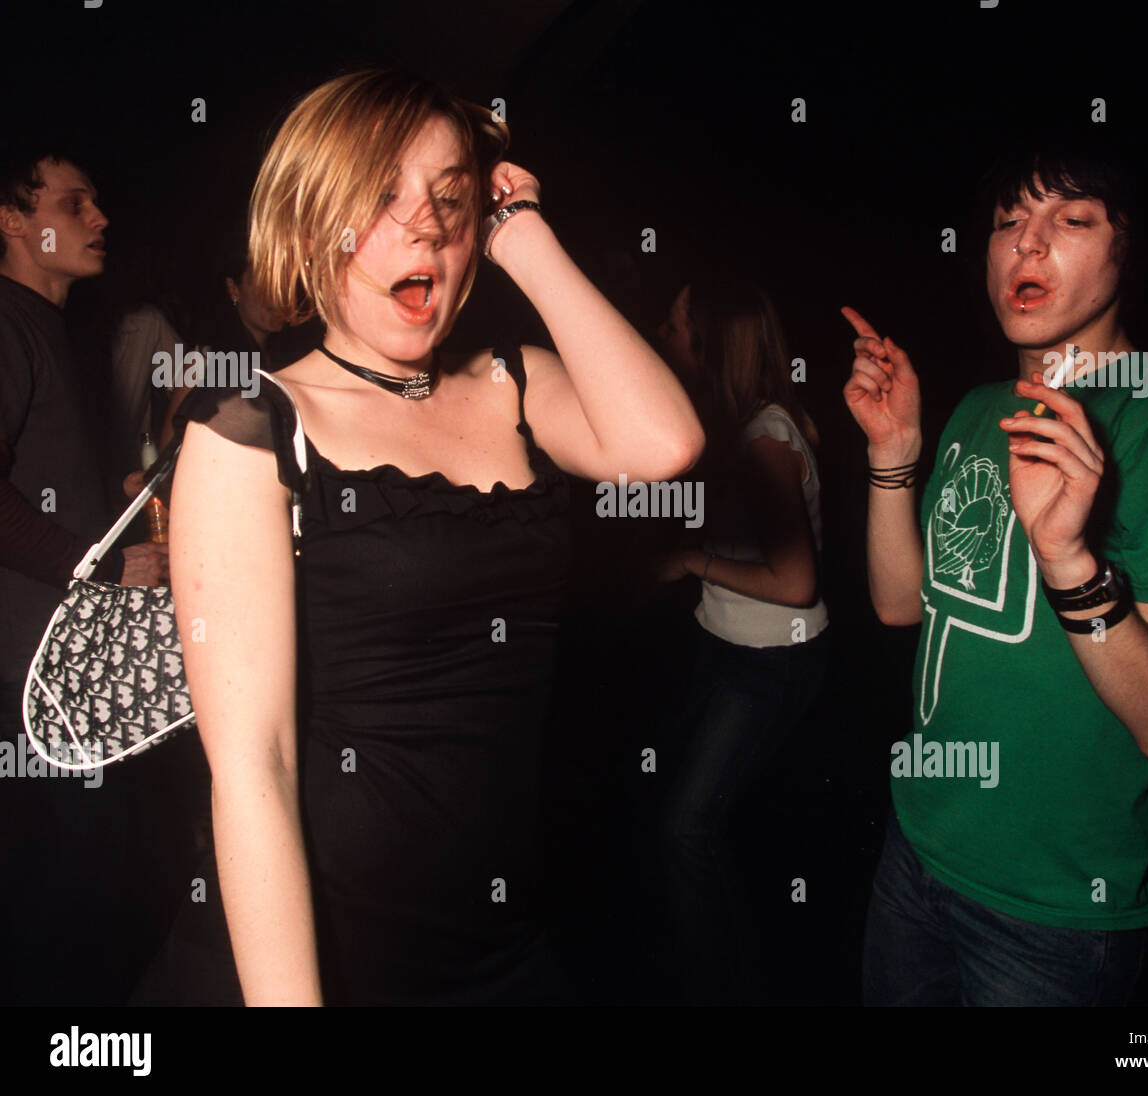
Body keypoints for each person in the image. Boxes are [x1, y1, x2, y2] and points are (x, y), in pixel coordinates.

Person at [134, 69, 703, 1006]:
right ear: (315, 229)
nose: (428, 224)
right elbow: (254, 769)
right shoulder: (253, 425)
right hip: (325, 955)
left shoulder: (513, 381)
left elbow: (663, 444)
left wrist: (520, 230)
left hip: (501, 943)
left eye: (449, 196)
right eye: (382, 196)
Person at [843, 142, 1148, 1006]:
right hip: (917, 848)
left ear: (1129, 253)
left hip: (1056, 915)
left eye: (1071, 221)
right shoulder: (978, 407)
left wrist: (1069, 562)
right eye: (1007, 224)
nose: (1025, 246)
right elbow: (898, 605)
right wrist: (895, 456)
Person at [0, 147, 168, 1002]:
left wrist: (128, 501)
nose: (100, 217)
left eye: (99, 200)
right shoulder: (5, 321)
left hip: (72, 674)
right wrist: (90, 565)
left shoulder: (56, 332)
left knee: (96, 887)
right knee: (68, 900)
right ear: (15, 221)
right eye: (75, 201)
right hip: (31, 683)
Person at [654, 277, 830, 1003]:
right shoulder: (750, 425)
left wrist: (692, 561)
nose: (665, 336)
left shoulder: (763, 438)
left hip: (768, 662)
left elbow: (796, 583)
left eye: (675, 325)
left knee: (685, 832)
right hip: (733, 647)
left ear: (712, 342)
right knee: (695, 816)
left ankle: (724, 986)